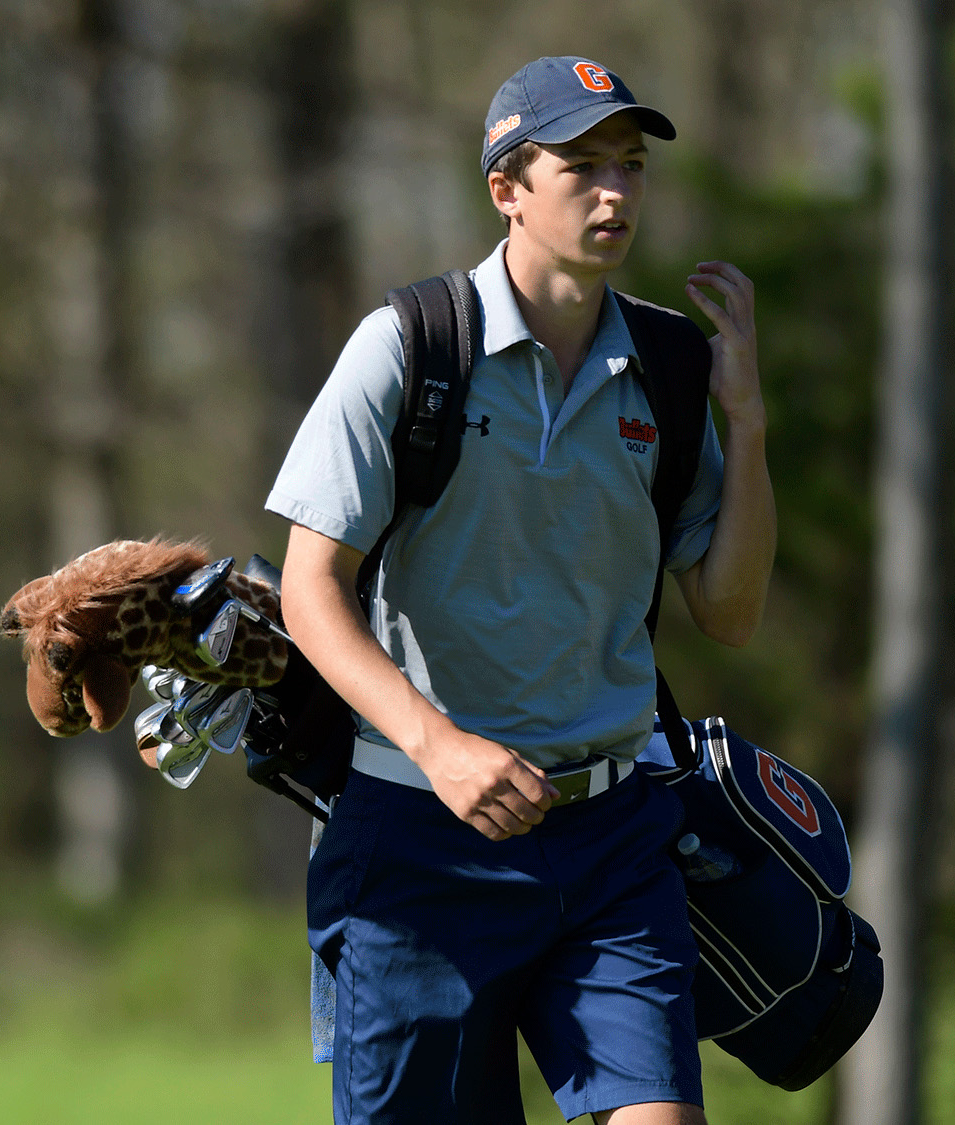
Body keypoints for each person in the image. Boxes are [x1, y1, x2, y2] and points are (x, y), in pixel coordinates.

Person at [268, 55, 775, 1125]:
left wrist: (749, 427)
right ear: (505, 188)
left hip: (611, 838)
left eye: (630, 167)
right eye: (582, 167)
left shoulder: (672, 367)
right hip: (416, 843)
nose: (616, 193)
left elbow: (727, 616)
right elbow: (309, 589)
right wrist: (438, 746)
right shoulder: (410, 344)